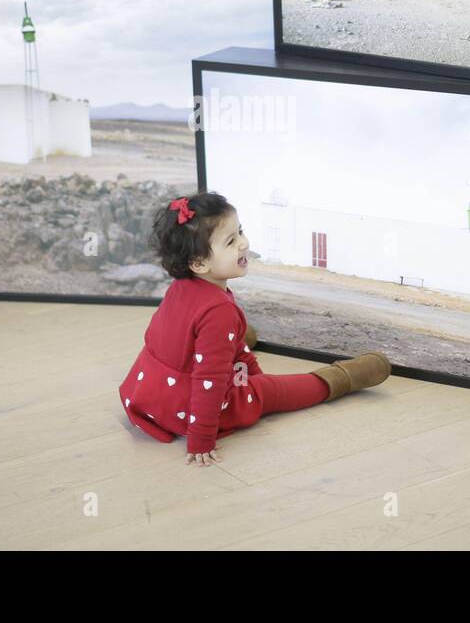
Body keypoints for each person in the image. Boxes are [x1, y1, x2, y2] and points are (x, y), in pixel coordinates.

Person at [118, 192, 391, 466]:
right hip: (187, 407)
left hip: (147, 394)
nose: (244, 243)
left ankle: (235, 342)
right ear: (199, 263)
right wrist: (201, 437)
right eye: (231, 241)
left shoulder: (182, 286)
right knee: (272, 391)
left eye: (240, 232)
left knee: (225, 337)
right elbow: (208, 381)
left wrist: (248, 364)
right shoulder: (218, 311)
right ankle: (340, 378)